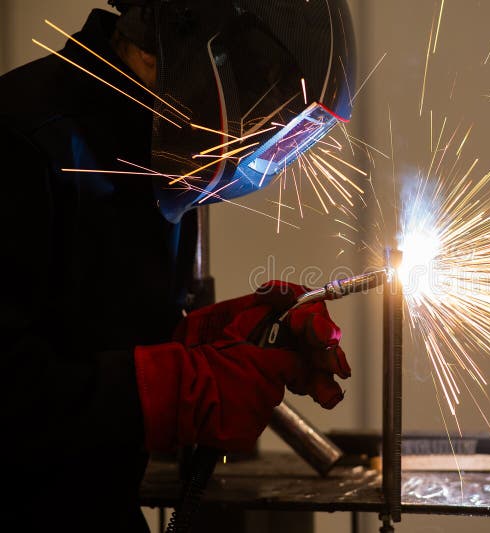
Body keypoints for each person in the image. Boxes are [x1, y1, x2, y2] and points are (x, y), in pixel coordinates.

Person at [0, 1, 356, 531]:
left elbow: (89, 341)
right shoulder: (18, 140)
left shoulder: (154, 154)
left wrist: (212, 343)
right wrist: (173, 387)